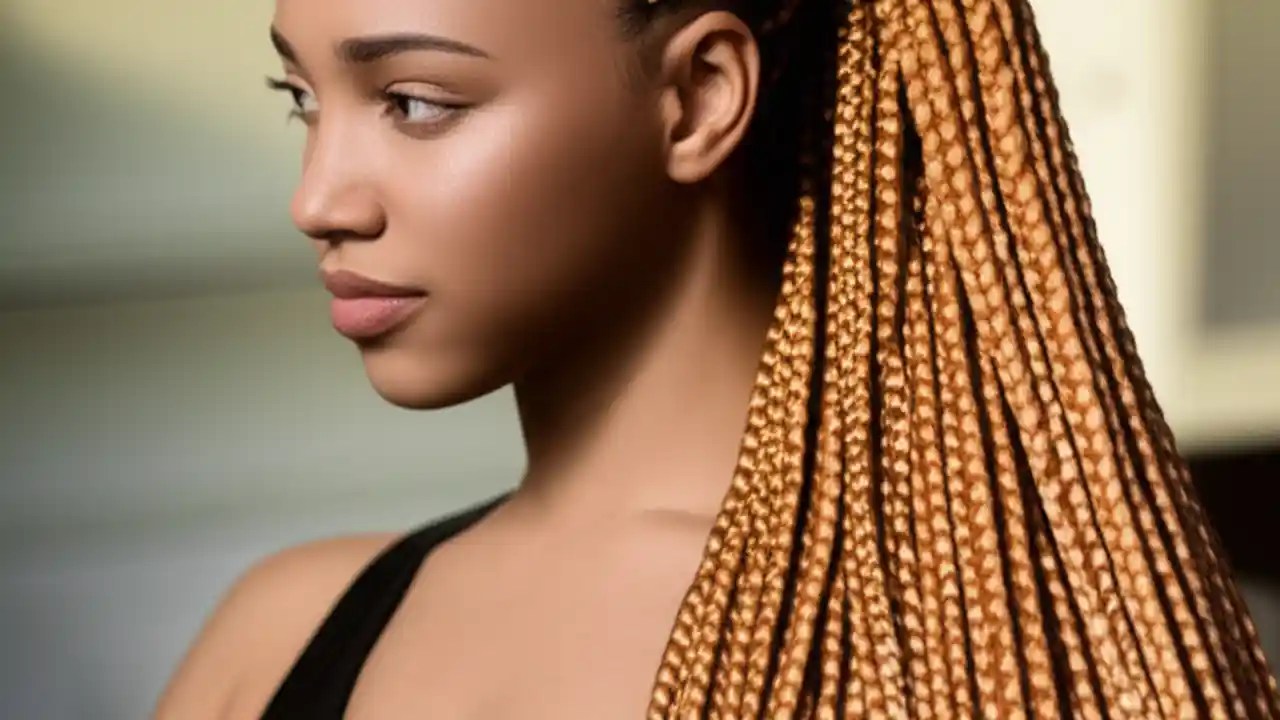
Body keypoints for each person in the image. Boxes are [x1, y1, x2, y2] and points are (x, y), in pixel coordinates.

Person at [155, 0, 1280, 717]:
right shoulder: (279, 633)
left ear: (699, 98)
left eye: (414, 102)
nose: (316, 200)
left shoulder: (975, 663)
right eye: (301, 99)